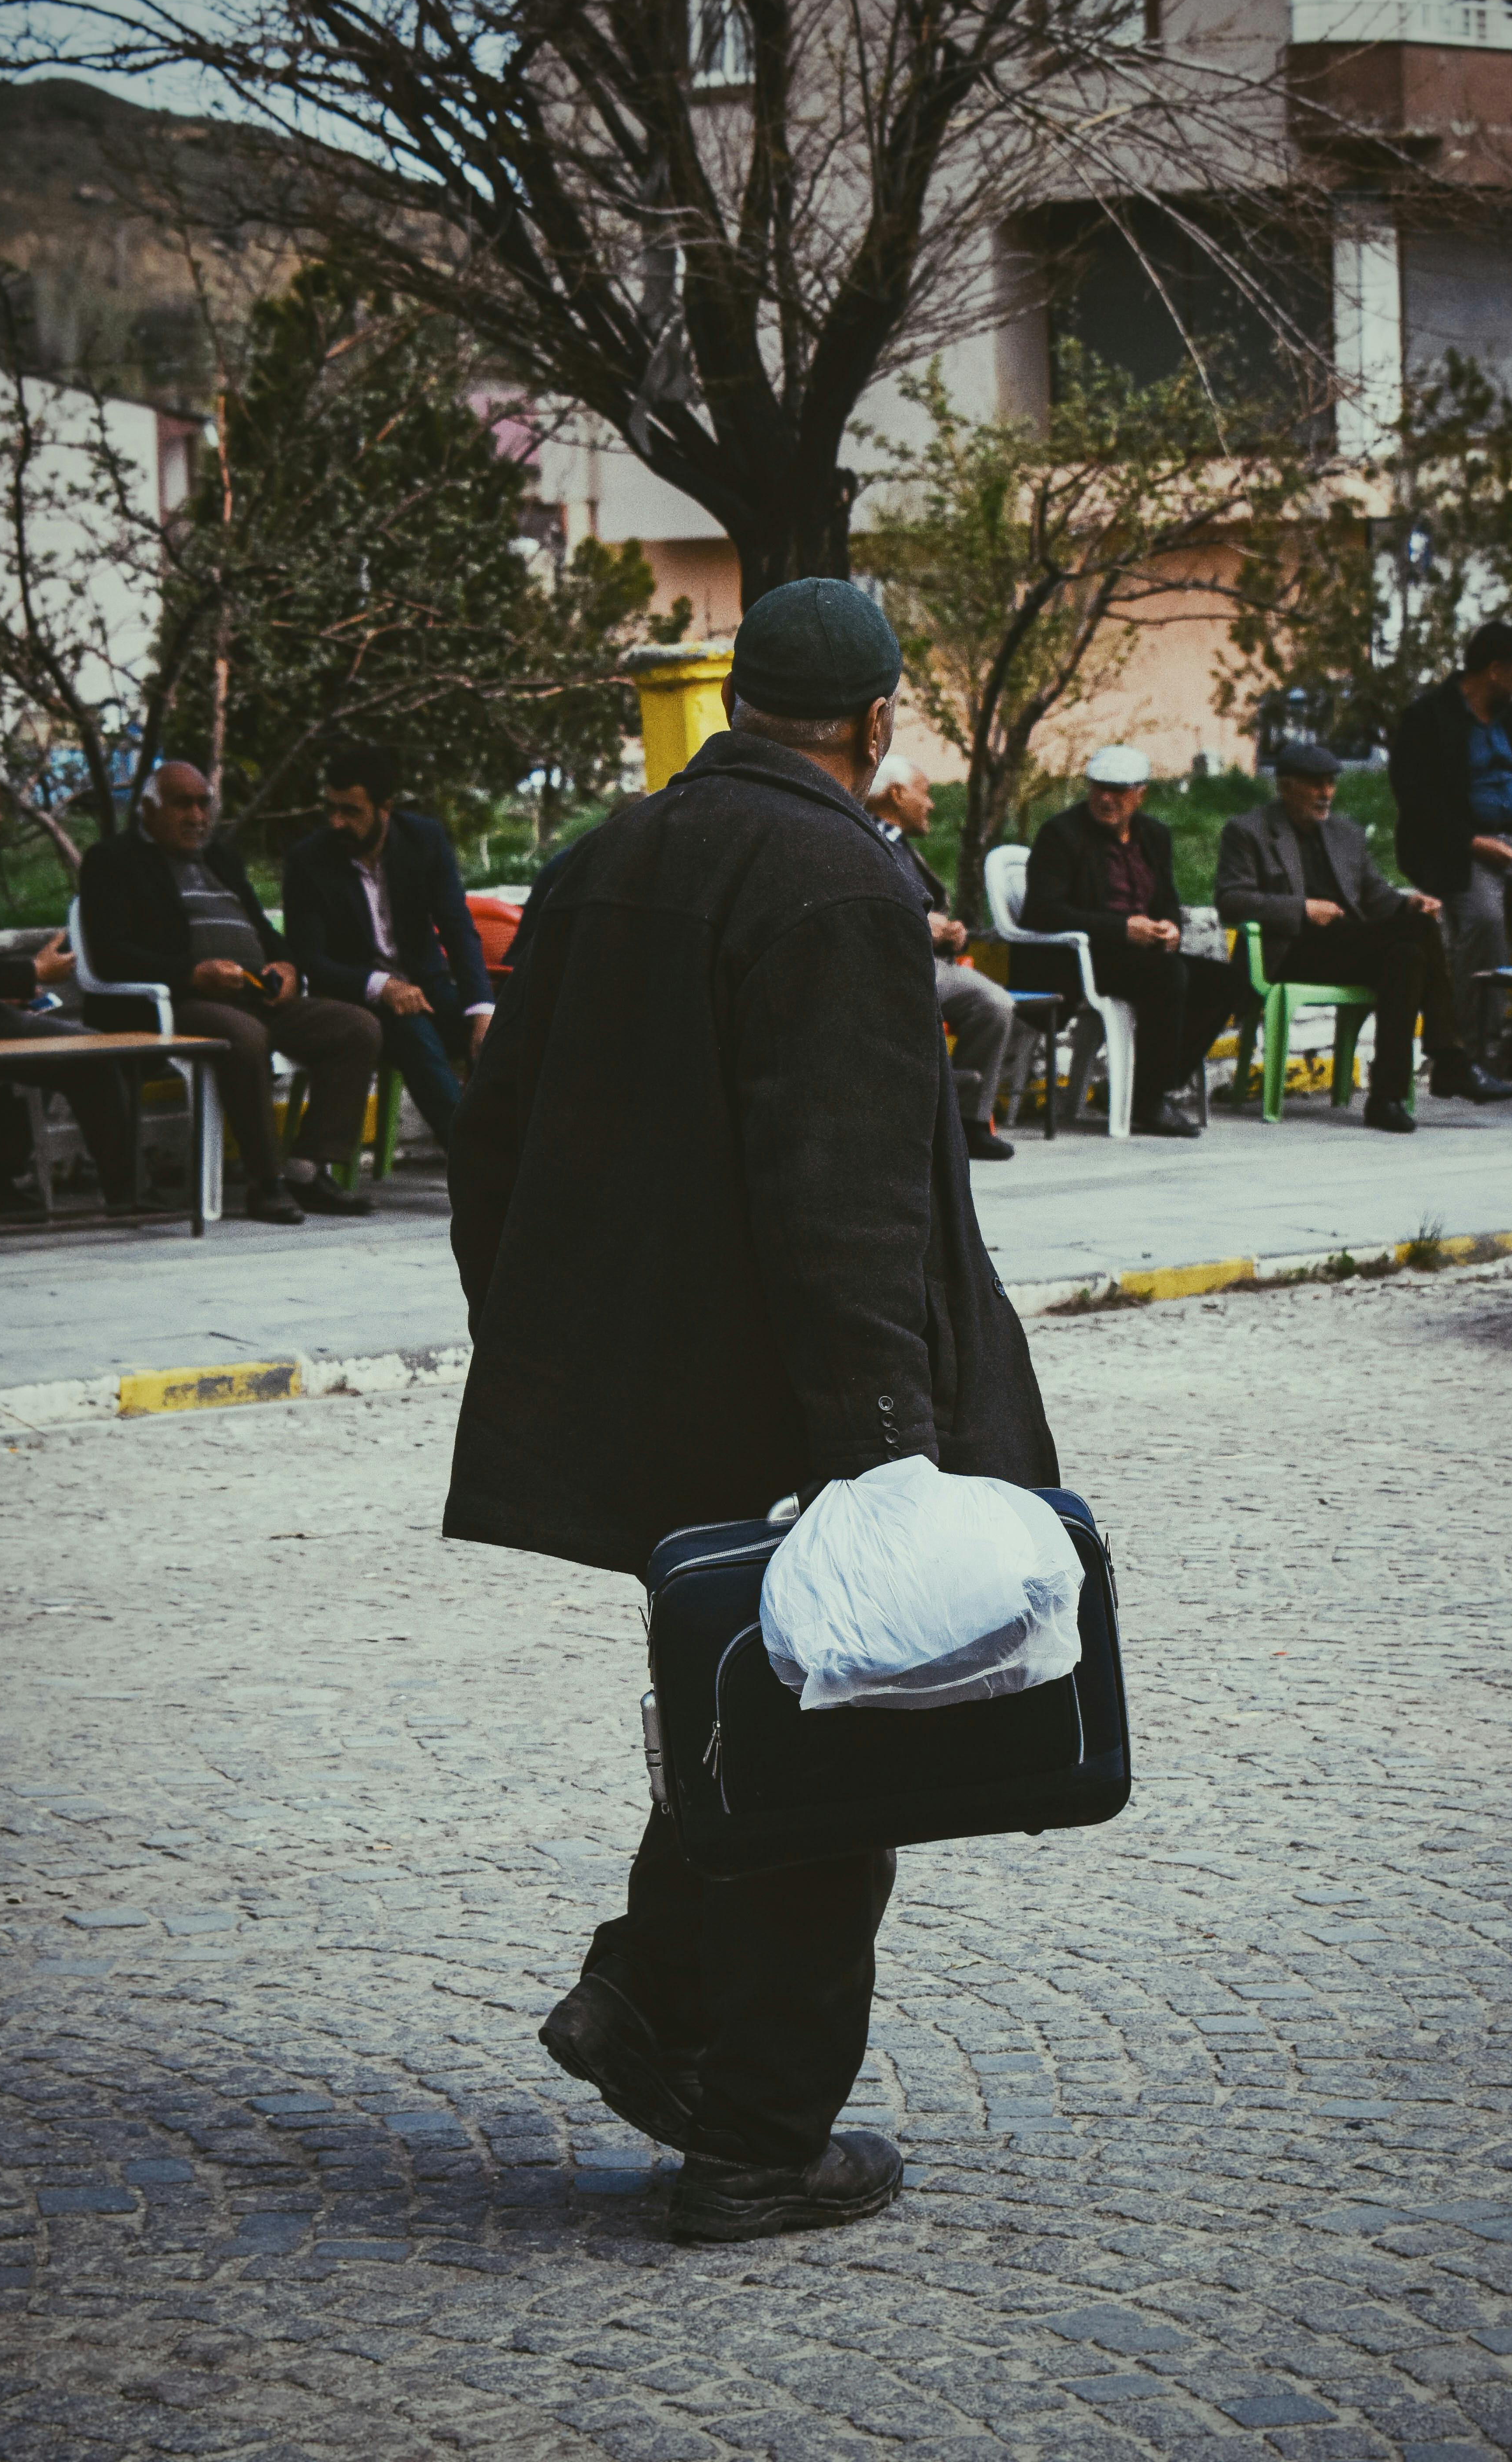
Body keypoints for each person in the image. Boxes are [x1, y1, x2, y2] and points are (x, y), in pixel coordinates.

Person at [443, 576, 1059, 2246]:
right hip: (800, 1415)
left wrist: (546, 1356)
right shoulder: (838, 878)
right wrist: (882, 1447)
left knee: (750, 1714)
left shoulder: (603, 863)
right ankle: (757, 2139)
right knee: (838, 1761)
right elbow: (840, 1192)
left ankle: (646, 1999)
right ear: (872, 727)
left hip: (650, 1411)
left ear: (736, 708)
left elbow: (486, 1144)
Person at [79, 761, 380, 1222]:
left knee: (356, 1026)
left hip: (253, 993)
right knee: (244, 1035)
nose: (197, 816)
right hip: (179, 1002)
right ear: (147, 810)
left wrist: (285, 966)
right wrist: (192, 974)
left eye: (204, 804)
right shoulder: (114, 861)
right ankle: (265, 1182)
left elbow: (262, 928)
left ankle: (307, 1169)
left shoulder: (220, 857)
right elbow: (112, 954)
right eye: (183, 804)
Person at [1217, 742, 1512, 1134]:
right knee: (1415, 941)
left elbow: (1377, 897)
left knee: (1409, 951)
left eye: (1330, 785)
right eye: (1315, 786)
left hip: (1346, 946)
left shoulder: (1345, 834)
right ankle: (1449, 1060)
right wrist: (1302, 909)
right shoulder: (1248, 831)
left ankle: (1386, 1098)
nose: (1326, 794)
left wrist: (1409, 905)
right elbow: (1231, 901)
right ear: (1287, 786)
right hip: (1290, 951)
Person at [1021, 744, 1255, 1138]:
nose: (1106, 799)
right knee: (1170, 975)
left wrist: (1169, 928)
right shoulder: (1062, 834)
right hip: (1085, 957)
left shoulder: (1153, 836)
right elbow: (1042, 911)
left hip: (1142, 956)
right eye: (1098, 788)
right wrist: (1121, 928)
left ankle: (1140, 1090)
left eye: (1118, 790)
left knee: (1226, 983)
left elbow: (1166, 900)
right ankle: (1147, 1103)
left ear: (1140, 793)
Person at [283, 743, 494, 1155]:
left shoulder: (424, 840)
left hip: (428, 984)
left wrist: (482, 1009)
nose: (337, 822)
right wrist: (381, 986)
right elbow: (308, 956)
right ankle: (477, 1163)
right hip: (360, 996)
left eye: (351, 811)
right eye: (332, 809)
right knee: (415, 1035)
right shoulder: (309, 860)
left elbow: (456, 926)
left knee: (500, 1035)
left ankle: (522, 1153)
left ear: (386, 808)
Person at [0, 758, 137, 1218]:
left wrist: (8, 987)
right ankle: (129, 1197)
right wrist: (34, 972)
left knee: (42, 1045)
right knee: (90, 1055)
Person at [1390, 620, 1512, 1053]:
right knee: (1484, 921)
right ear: (1494, 670)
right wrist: (1470, 841)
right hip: (1462, 850)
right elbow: (1416, 797)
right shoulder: (1427, 718)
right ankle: (1473, 1047)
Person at [867, 753, 1025, 1162]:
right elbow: (870, 911)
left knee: (994, 1004)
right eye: (926, 793)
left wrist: (950, 935)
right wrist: (922, 926)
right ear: (897, 794)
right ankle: (931, 1116)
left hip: (931, 961)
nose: (932, 804)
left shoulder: (900, 844)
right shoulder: (866, 840)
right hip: (891, 966)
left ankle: (970, 1121)